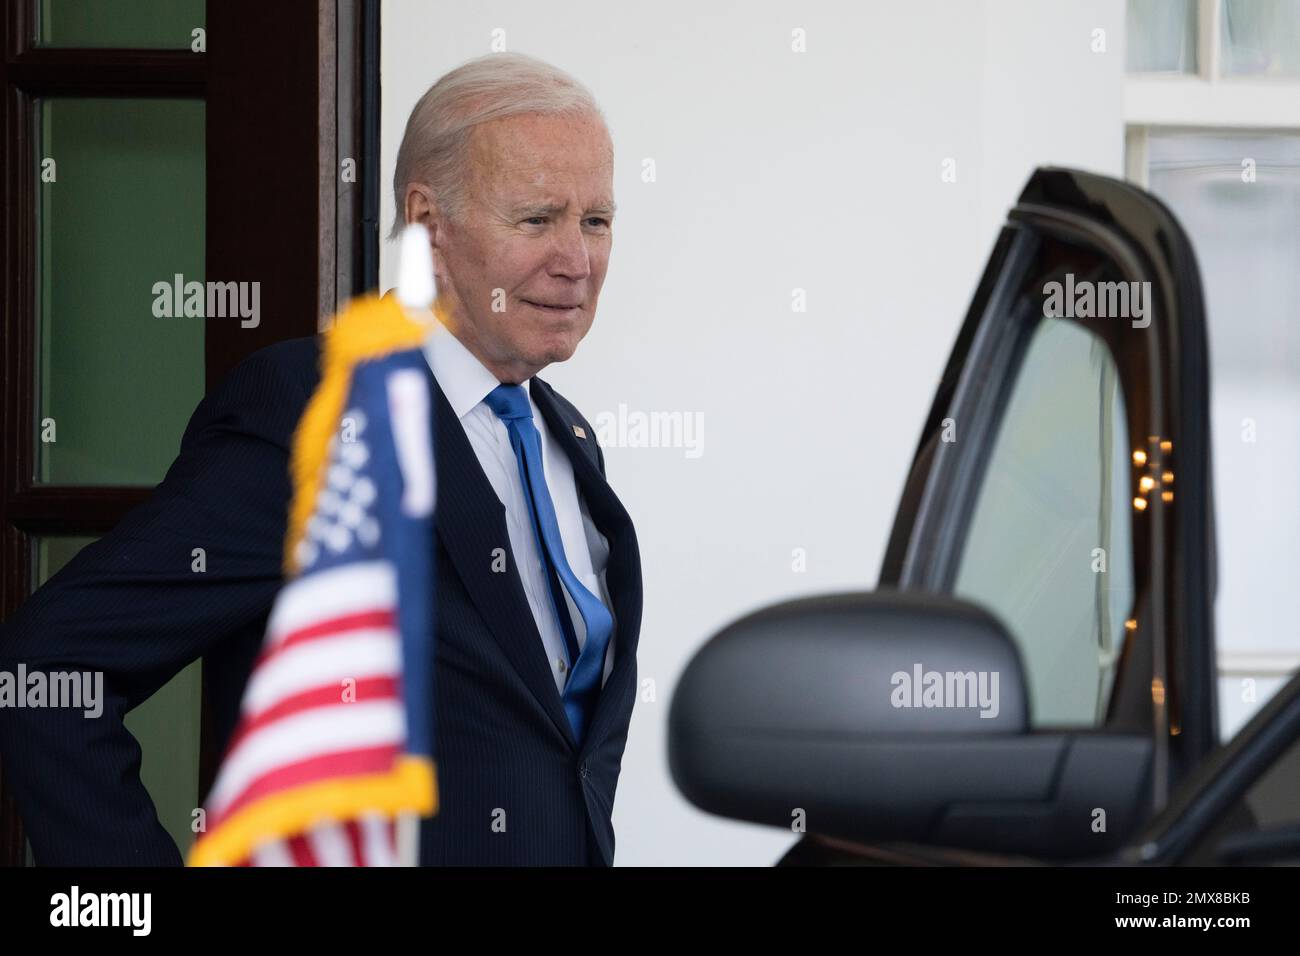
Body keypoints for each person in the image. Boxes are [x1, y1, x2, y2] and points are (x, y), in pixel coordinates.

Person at [0, 51, 641, 866]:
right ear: (430, 223)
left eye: (596, 221)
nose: (577, 261)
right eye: (537, 218)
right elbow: (47, 669)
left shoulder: (568, 440)